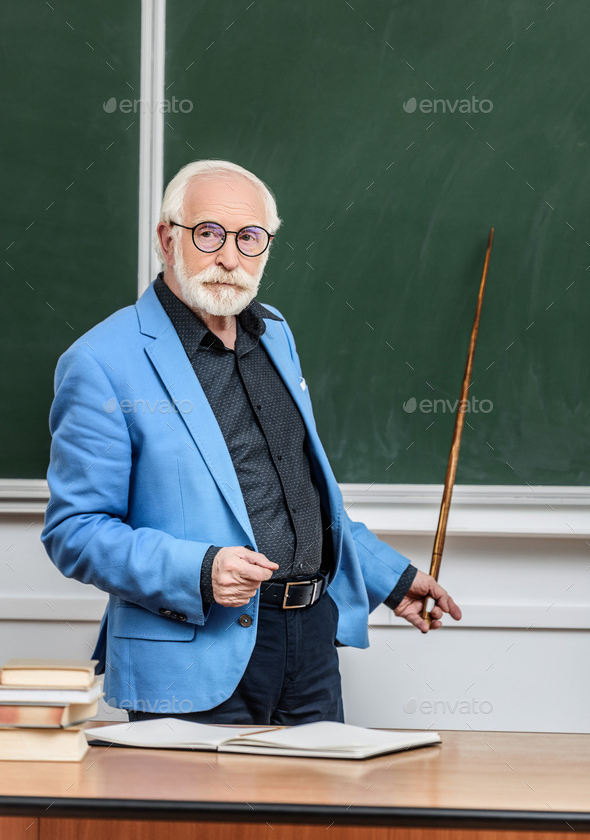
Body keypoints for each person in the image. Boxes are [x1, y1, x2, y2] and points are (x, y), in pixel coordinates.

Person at [42, 160, 461, 725]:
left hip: (311, 647)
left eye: (250, 238)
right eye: (209, 233)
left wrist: (394, 579)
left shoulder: (274, 333)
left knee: (317, 813)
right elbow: (75, 531)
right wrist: (198, 569)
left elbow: (299, 498)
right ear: (169, 239)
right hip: (193, 659)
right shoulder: (101, 362)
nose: (230, 257)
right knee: (202, 817)